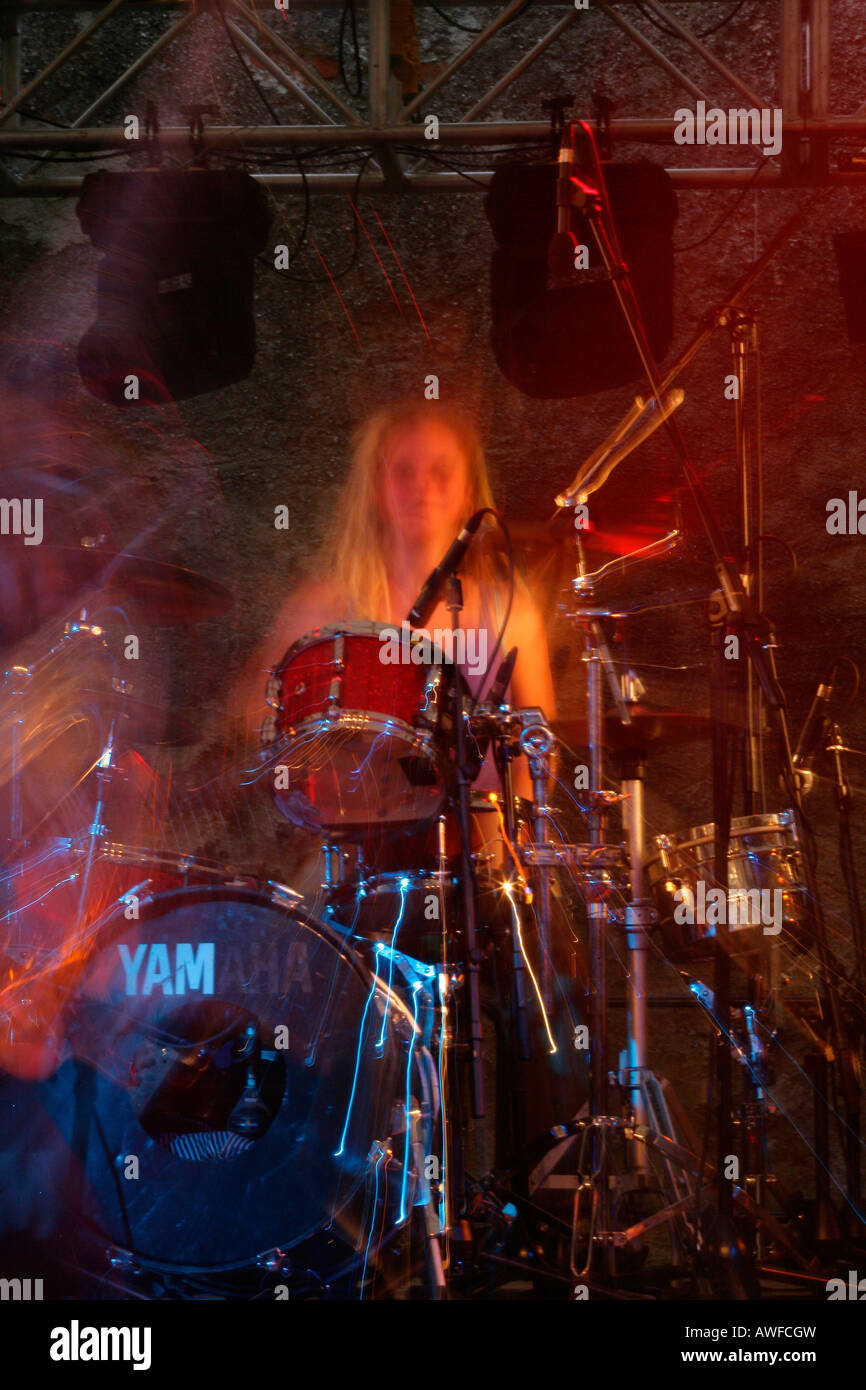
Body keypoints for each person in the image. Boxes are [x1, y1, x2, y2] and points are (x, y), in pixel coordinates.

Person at [232, 399, 556, 804]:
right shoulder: (327, 604)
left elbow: (539, 747)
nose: (421, 487)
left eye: (441, 472)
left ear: (469, 493)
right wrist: (328, 747)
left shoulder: (511, 612)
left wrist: (517, 849)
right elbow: (252, 710)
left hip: (485, 846)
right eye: (402, 472)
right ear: (375, 487)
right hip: (359, 841)